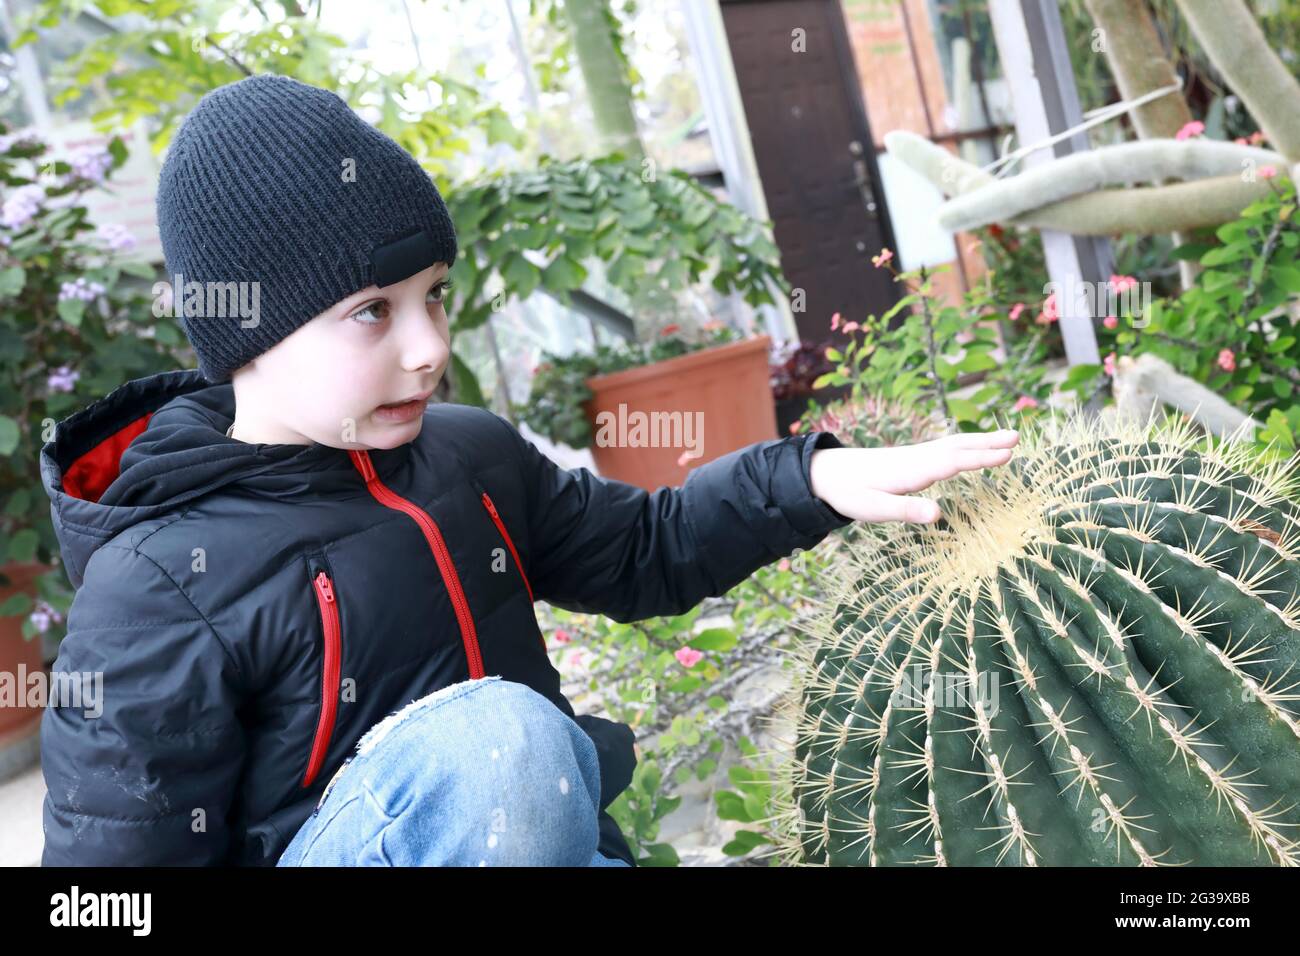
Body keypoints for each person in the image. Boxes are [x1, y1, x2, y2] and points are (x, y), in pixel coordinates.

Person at [37, 73, 1019, 867]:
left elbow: (647, 548)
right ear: (248, 330)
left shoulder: (468, 455)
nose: (427, 346)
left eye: (435, 296)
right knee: (497, 745)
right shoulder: (157, 581)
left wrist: (808, 481)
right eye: (374, 310)